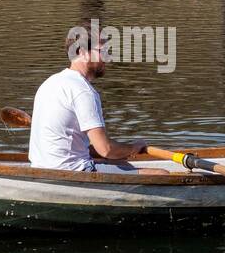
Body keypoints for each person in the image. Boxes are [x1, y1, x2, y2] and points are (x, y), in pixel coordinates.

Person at [29, 24, 157, 174]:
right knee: (162, 175)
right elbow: (106, 150)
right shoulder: (83, 91)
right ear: (83, 52)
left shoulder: (50, 82)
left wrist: (123, 153)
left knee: (122, 163)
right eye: (103, 51)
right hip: (71, 170)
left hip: (40, 168)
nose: (108, 58)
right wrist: (134, 147)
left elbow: (88, 148)